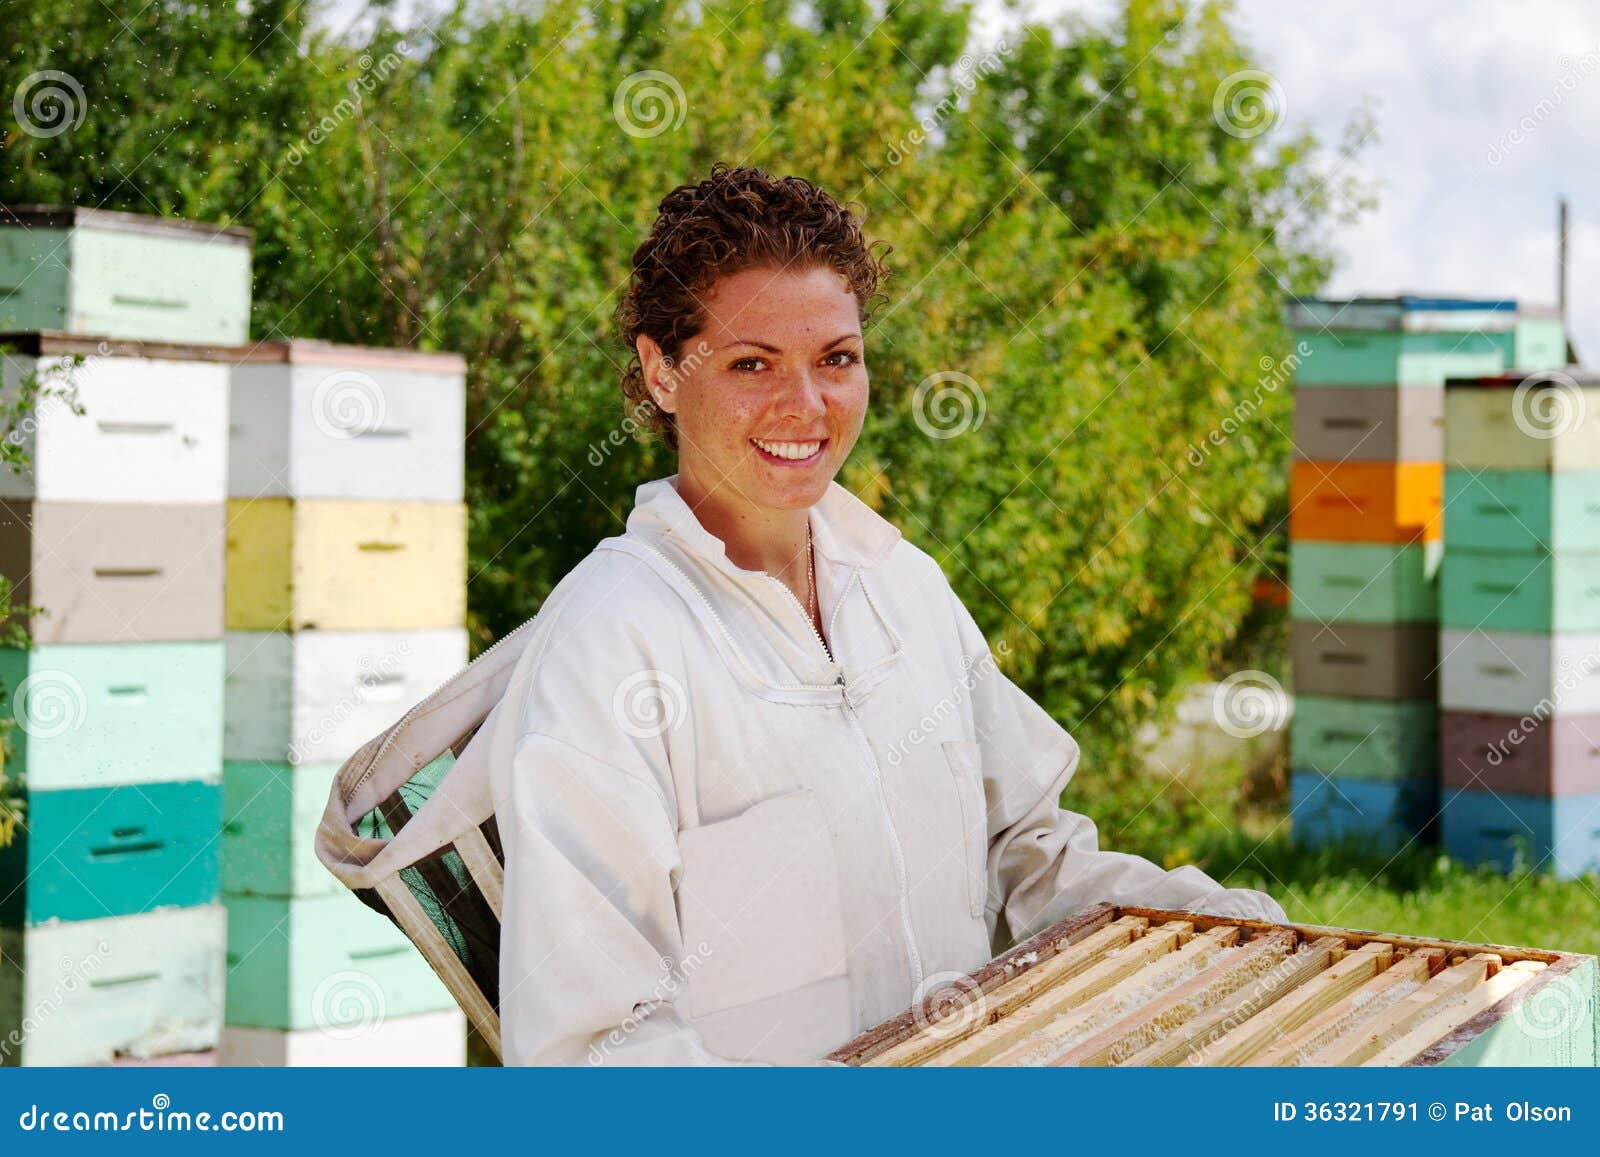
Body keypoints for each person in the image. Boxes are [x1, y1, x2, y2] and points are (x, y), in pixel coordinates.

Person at [485, 162, 1286, 1066]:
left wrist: (1210, 923)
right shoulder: (610, 641)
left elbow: (1027, 858)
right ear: (661, 371)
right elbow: (591, 1045)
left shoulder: (906, 589)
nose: (806, 404)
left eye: (837, 359)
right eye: (752, 363)